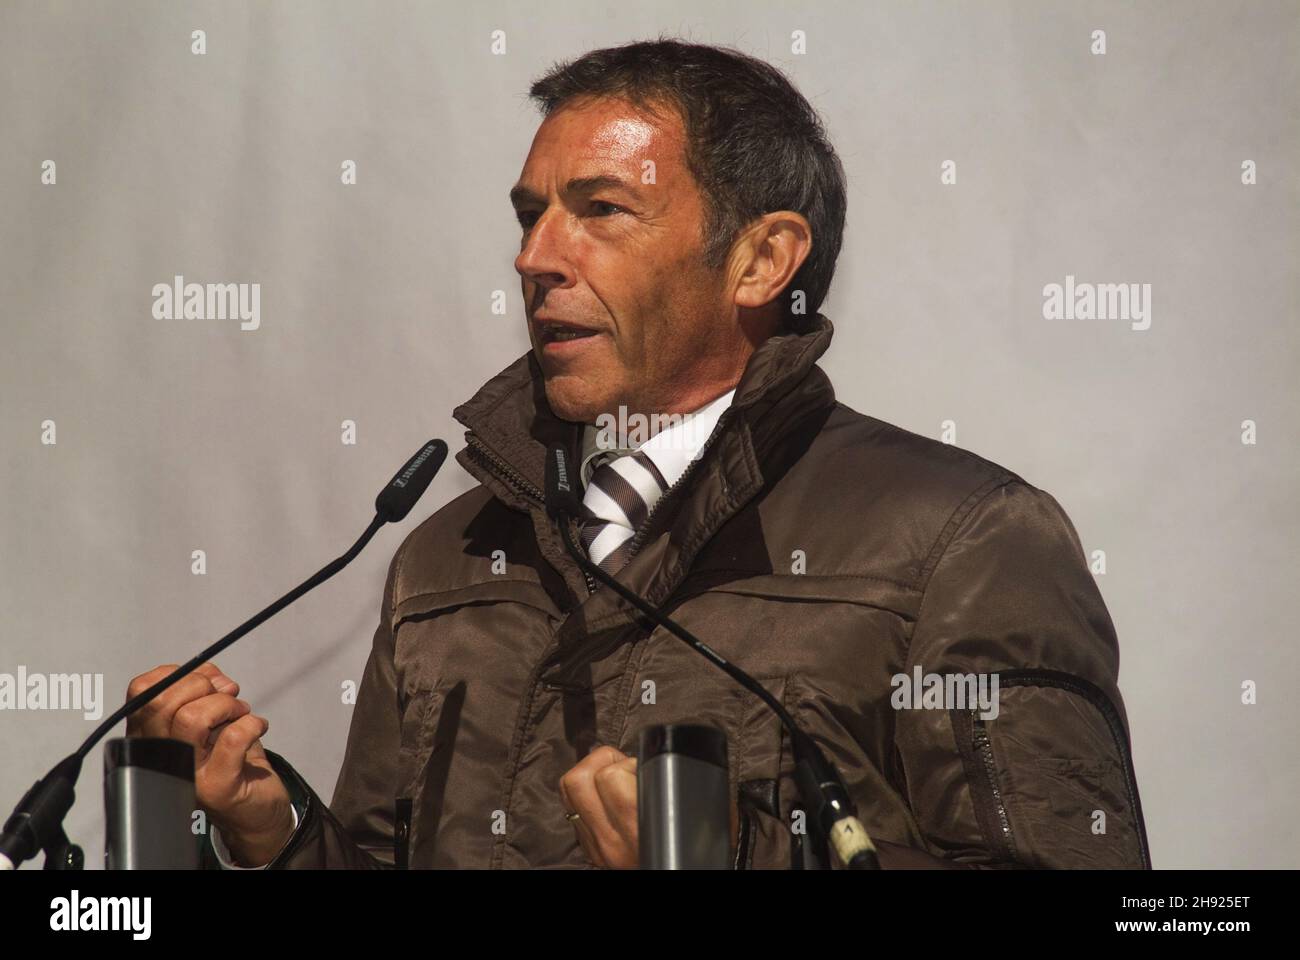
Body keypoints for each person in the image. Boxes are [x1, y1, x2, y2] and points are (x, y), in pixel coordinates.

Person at [125, 39, 1149, 870]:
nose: (534, 257)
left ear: (760, 260)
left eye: (600, 210)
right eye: (531, 216)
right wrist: (266, 834)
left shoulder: (960, 543)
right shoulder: (444, 561)